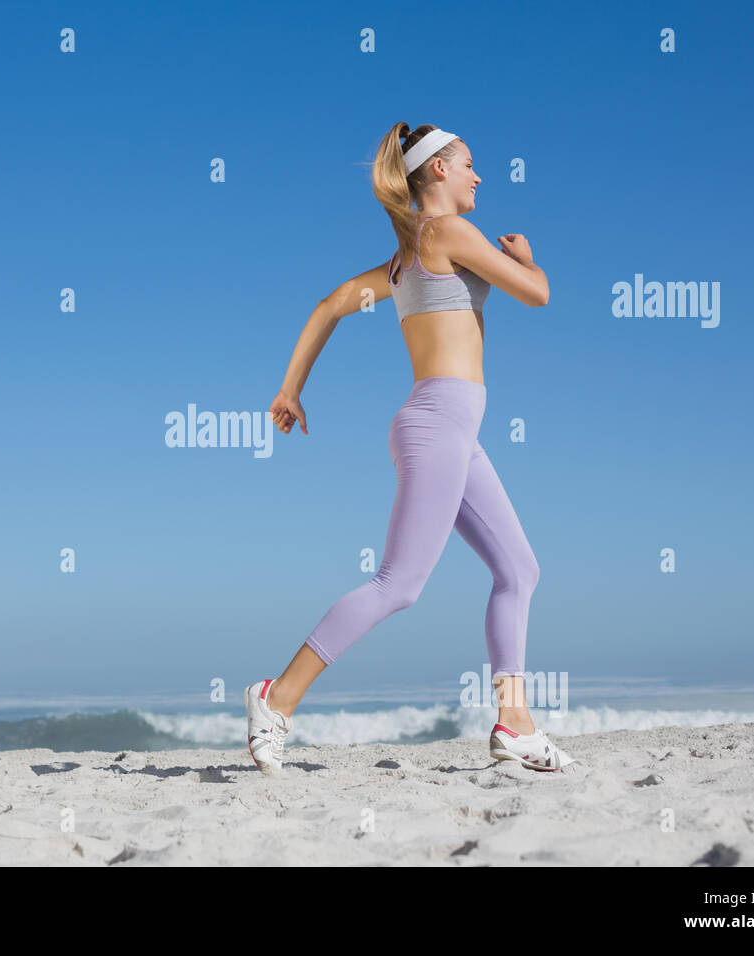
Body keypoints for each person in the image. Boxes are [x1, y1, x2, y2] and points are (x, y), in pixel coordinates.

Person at [245, 123, 574, 775]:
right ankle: (274, 699)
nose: (479, 176)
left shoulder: (401, 262)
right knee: (399, 585)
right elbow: (536, 293)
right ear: (438, 173)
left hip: (447, 428)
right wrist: (530, 255)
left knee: (519, 571)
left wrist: (290, 390)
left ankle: (515, 722)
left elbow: (330, 304)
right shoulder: (449, 233)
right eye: (470, 165)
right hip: (436, 425)